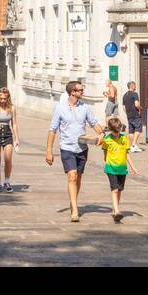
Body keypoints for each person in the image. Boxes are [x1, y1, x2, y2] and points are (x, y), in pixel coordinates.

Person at [46, 80, 103, 222]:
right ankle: (75, 210)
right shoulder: (59, 108)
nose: (82, 92)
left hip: (82, 148)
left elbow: (94, 123)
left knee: (78, 178)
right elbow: (52, 130)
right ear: (72, 92)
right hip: (67, 147)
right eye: (80, 90)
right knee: (72, 176)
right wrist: (49, 151)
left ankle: (73, 202)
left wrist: (101, 134)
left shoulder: (85, 107)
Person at [99, 116, 132, 223]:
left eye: (118, 132)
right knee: (114, 189)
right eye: (114, 132)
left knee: (119, 190)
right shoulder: (107, 140)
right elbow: (104, 150)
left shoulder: (124, 138)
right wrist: (105, 159)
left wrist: (133, 166)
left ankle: (115, 208)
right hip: (111, 168)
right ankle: (117, 211)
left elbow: (127, 154)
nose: (116, 134)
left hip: (122, 168)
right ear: (110, 130)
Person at [121, 81, 144, 153]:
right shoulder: (135, 94)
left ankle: (132, 146)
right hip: (135, 114)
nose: (136, 87)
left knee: (131, 130)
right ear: (132, 86)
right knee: (138, 129)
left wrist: (127, 113)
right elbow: (136, 104)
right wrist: (141, 108)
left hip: (129, 115)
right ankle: (134, 144)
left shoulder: (125, 95)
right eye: (135, 86)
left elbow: (123, 107)